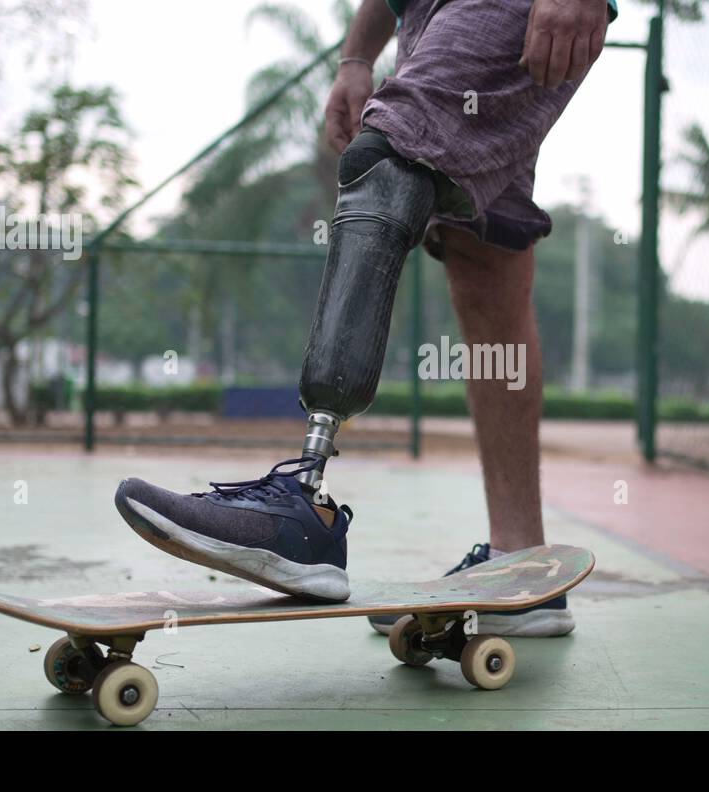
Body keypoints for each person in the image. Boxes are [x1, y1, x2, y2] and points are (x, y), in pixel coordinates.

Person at [115, 0, 614, 637]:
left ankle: (304, 508)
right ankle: (520, 565)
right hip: (425, 19)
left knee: (388, 163)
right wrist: (358, 55)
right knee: (485, 259)